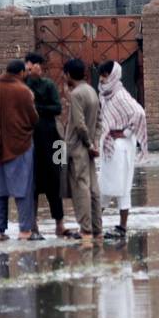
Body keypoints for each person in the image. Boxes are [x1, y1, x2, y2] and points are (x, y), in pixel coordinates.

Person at [0, 59, 40, 240]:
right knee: (23, 190)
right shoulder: (23, 91)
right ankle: (25, 230)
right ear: (20, 73)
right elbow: (33, 118)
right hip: (20, 146)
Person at [96, 61, 148, 237]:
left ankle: (122, 227)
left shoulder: (119, 94)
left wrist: (125, 132)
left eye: (105, 74)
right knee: (105, 185)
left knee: (122, 187)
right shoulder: (105, 94)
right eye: (102, 74)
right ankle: (96, 224)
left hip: (122, 147)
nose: (102, 78)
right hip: (110, 145)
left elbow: (139, 113)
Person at [24, 52, 68, 237]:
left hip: (52, 139)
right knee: (31, 185)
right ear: (28, 65)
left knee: (55, 183)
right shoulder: (22, 86)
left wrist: (37, 107)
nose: (39, 69)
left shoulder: (48, 85)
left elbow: (57, 108)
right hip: (30, 140)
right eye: (36, 65)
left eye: (41, 66)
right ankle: (32, 226)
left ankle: (59, 224)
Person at [61, 58, 102, 247]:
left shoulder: (77, 94)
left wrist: (87, 142)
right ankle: (96, 228)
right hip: (90, 147)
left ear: (69, 74)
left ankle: (85, 229)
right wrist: (95, 143)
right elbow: (99, 121)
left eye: (64, 73)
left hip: (78, 147)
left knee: (81, 187)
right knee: (93, 188)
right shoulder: (92, 91)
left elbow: (79, 124)